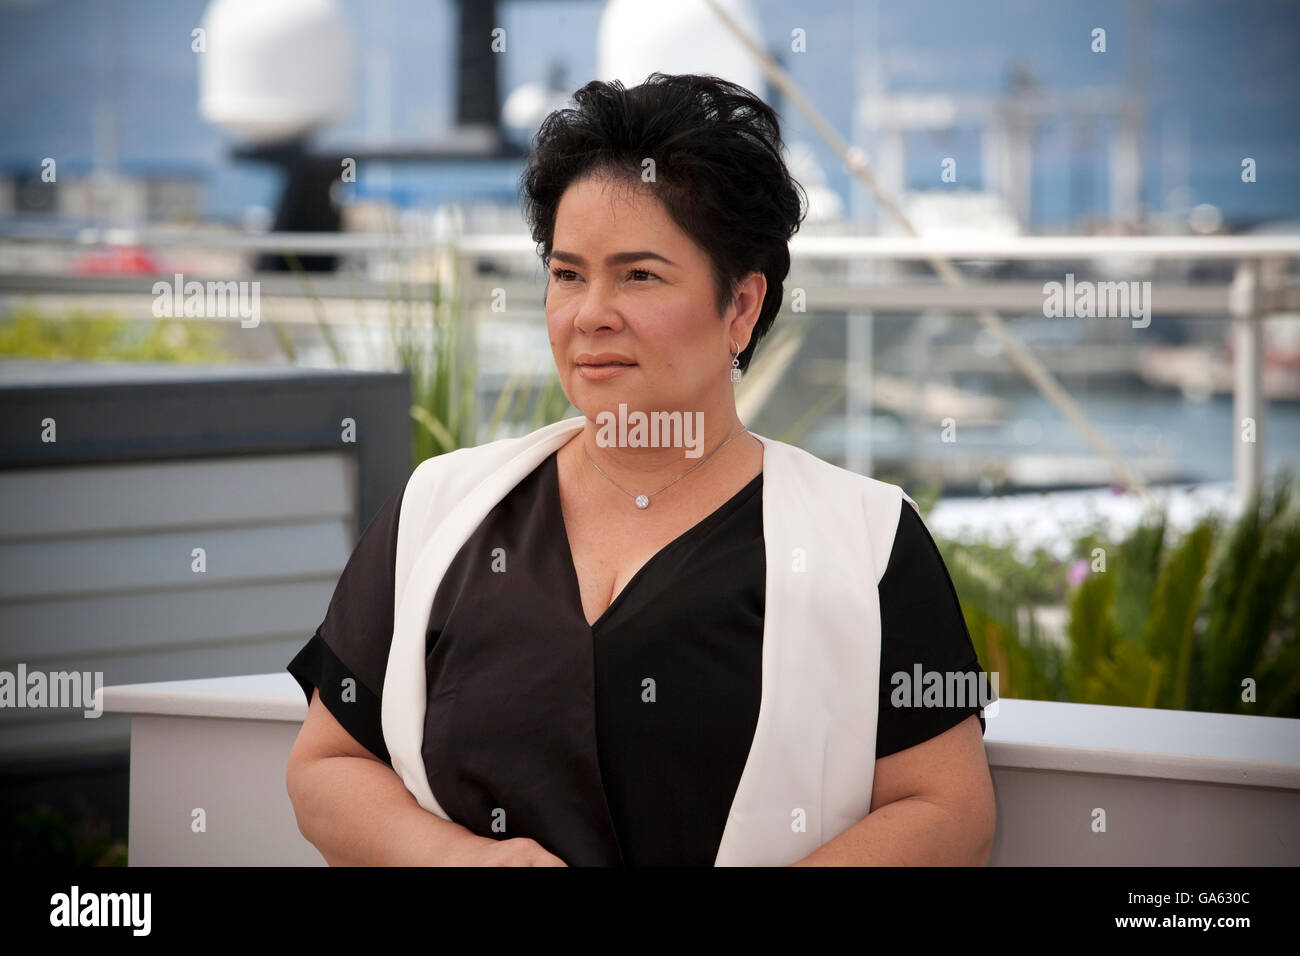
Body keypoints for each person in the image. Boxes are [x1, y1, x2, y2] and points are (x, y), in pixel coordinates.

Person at [285, 72, 996, 866]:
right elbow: (327, 764)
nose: (590, 313)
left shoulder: (864, 541)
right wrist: (462, 861)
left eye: (640, 275)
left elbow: (948, 808)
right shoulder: (442, 510)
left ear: (741, 307)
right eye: (567, 274)